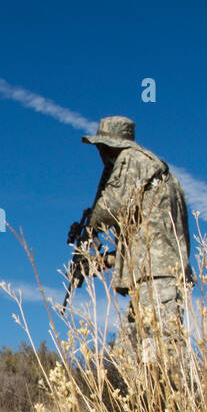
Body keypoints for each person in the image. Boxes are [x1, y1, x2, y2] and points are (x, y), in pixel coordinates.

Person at [72, 116, 193, 351]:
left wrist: (89, 228)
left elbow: (107, 210)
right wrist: (102, 260)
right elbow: (147, 244)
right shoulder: (156, 174)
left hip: (157, 282)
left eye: (101, 147)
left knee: (163, 357)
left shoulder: (131, 160)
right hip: (153, 279)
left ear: (109, 146)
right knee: (126, 361)